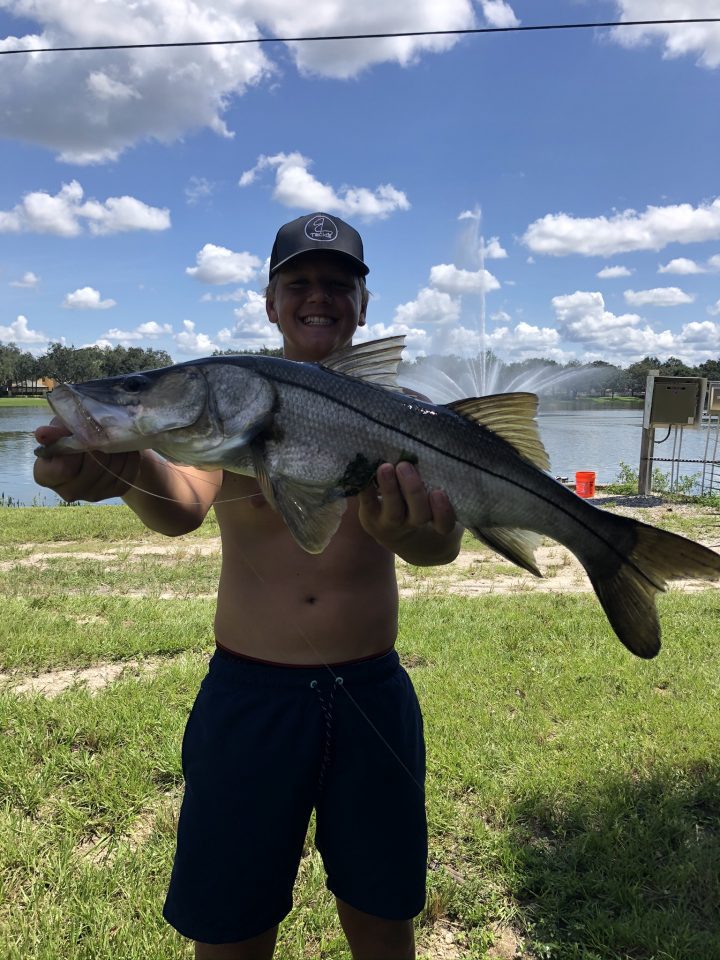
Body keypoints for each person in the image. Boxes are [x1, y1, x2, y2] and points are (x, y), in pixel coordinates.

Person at [34, 212, 463, 960]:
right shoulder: (228, 404)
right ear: (270, 302)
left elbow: (440, 546)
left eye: (338, 284)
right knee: (230, 926)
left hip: (371, 694)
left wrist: (416, 537)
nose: (318, 297)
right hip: (248, 696)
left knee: (383, 915)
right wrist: (124, 470)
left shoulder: (404, 416)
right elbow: (181, 503)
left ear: (364, 305)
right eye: (298, 283)